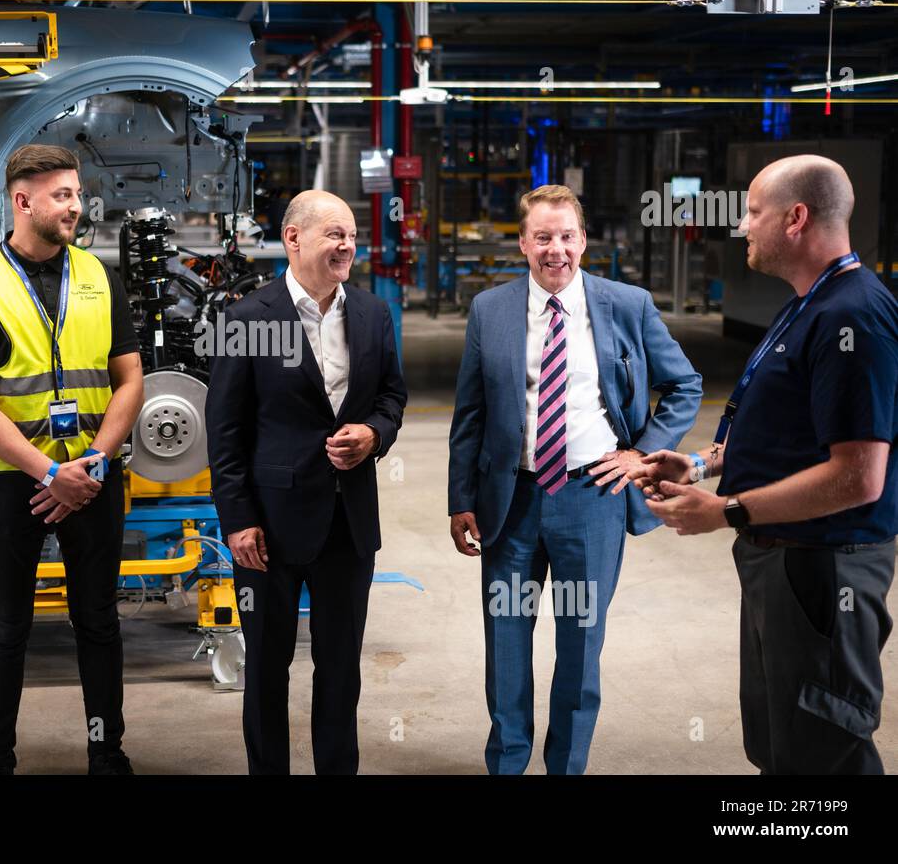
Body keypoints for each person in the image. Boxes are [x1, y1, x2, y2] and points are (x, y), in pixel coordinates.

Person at [625, 155, 897, 775]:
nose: (743, 227)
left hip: (825, 571)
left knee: (824, 749)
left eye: (753, 213)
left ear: (796, 218)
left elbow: (859, 476)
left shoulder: (851, 316)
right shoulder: (810, 302)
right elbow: (789, 434)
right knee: (782, 743)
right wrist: (699, 465)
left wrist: (727, 511)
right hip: (784, 562)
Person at [447, 184, 701, 775]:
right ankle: (507, 764)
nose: (555, 249)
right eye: (543, 237)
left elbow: (684, 385)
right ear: (523, 243)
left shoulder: (627, 305)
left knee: (580, 646)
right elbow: (471, 414)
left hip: (593, 500)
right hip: (511, 501)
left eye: (566, 236)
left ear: (583, 241)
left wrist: (644, 453)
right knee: (506, 646)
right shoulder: (491, 310)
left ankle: (566, 766)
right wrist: (462, 499)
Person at [0, 144, 144, 775]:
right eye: (63, 195)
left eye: (78, 194)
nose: (77, 207)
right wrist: (50, 472)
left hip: (94, 477)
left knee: (98, 620)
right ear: (22, 200)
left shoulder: (99, 277)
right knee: (5, 627)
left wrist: (93, 464)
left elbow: (131, 380)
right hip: (14, 484)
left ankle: (105, 750)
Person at [206, 189, 407, 774]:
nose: (347, 246)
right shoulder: (245, 319)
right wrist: (238, 519)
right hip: (267, 527)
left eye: (351, 235)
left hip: (348, 521)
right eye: (333, 235)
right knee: (267, 667)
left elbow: (392, 396)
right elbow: (226, 433)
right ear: (293, 239)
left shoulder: (372, 313)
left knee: (341, 666)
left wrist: (374, 433)